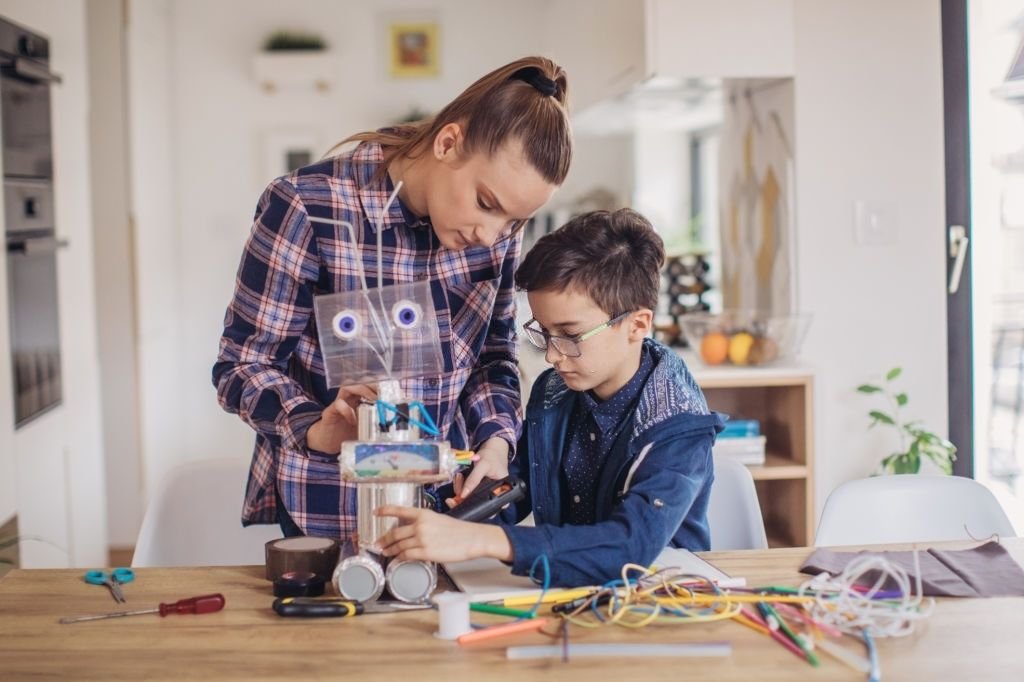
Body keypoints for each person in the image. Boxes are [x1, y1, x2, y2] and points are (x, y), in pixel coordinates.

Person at [213, 56, 572, 538]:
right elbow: (242, 365)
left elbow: (493, 358)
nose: (492, 236)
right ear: (448, 143)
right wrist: (316, 427)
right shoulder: (308, 206)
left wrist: (496, 442)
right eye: (486, 204)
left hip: (444, 513)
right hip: (330, 510)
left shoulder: (494, 235)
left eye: (513, 221)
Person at [377, 209, 724, 586]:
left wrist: (479, 539)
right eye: (543, 332)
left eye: (570, 335)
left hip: (662, 599)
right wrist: (469, 502)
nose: (552, 356)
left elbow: (629, 546)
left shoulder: (679, 425)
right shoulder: (556, 391)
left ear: (637, 324)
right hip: (572, 596)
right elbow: (516, 489)